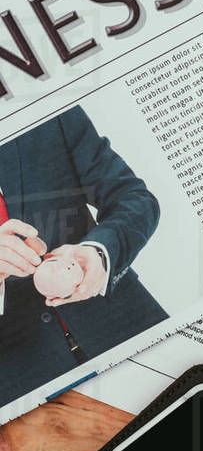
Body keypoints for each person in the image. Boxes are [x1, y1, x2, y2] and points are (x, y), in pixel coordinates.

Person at [0, 106, 166, 406]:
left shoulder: (45, 109)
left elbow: (133, 199)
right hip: (21, 387)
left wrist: (98, 254)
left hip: (130, 330)